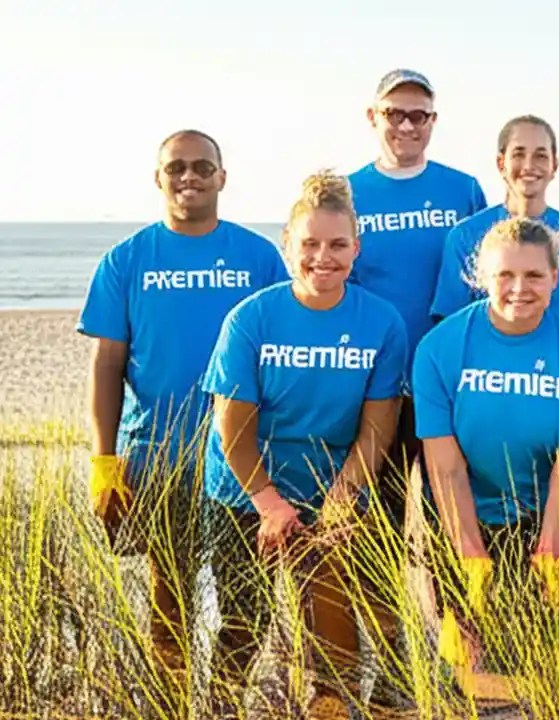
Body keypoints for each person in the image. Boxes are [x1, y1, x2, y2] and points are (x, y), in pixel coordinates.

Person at [77, 128, 288, 716]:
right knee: (169, 599)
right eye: (176, 168)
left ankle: (221, 703)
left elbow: (282, 347)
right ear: (158, 178)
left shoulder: (258, 257)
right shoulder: (126, 260)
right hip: (158, 456)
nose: (189, 177)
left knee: (245, 601)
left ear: (223, 176)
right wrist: (104, 460)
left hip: (244, 458)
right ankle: (170, 706)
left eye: (202, 167)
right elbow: (107, 363)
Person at [200, 169, 409, 717]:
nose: (324, 256)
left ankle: (329, 705)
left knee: (335, 632)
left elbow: (377, 426)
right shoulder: (250, 319)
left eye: (338, 244)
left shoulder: (381, 323)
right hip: (245, 491)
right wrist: (268, 503)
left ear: (356, 248)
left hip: (330, 491)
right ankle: (217, 707)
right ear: (286, 247)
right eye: (310, 244)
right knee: (245, 624)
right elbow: (233, 429)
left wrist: (344, 494)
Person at [411, 216, 559, 714]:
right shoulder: (439, 348)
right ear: (481, 276)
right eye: (505, 276)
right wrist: (469, 552)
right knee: (468, 673)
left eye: (534, 277)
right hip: (466, 514)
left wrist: (550, 550)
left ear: (555, 279)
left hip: (549, 515)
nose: (519, 289)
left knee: (549, 667)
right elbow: (445, 465)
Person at [345, 67, 488, 706]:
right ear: (372, 117)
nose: (406, 125)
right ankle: (395, 663)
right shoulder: (347, 191)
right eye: (394, 113)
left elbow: (489, 281)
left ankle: (461, 666)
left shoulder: (463, 191)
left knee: (449, 525)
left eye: (419, 115)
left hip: (446, 390)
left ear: (434, 121)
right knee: (374, 531)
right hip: (371, 390)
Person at [431, 114, 559, 324]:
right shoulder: (466, 236)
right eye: (518, 154)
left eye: (540, 156)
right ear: (501, 163)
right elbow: (451, 325)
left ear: (554, 165)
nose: (529, 165)